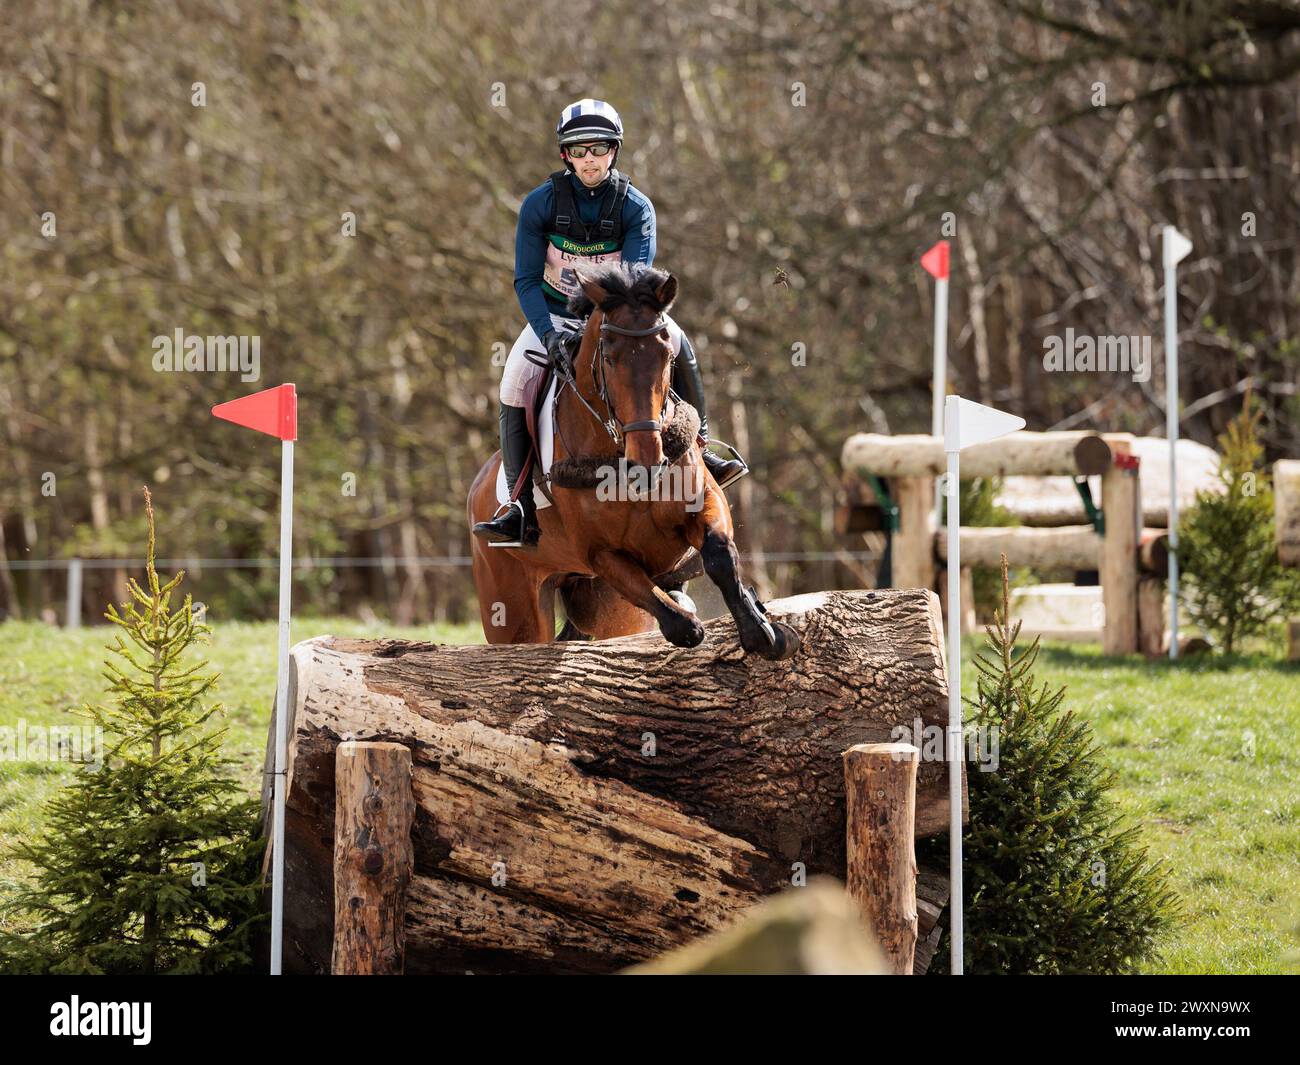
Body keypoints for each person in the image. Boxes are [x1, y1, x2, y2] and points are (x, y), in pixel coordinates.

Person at [472, 98, 746, 548]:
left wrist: (601, 327)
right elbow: (524, 279)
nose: (588, 160)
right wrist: (549, 332)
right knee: (514, 381)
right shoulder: (540, 205)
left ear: (613, 151)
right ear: (565, 156)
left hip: (618, 318)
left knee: (681, 342)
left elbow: (636, 286)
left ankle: (705, 449)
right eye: (577, 151)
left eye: (597, 149)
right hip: (555, 314)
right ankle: (518, 506)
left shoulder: (635, 207)